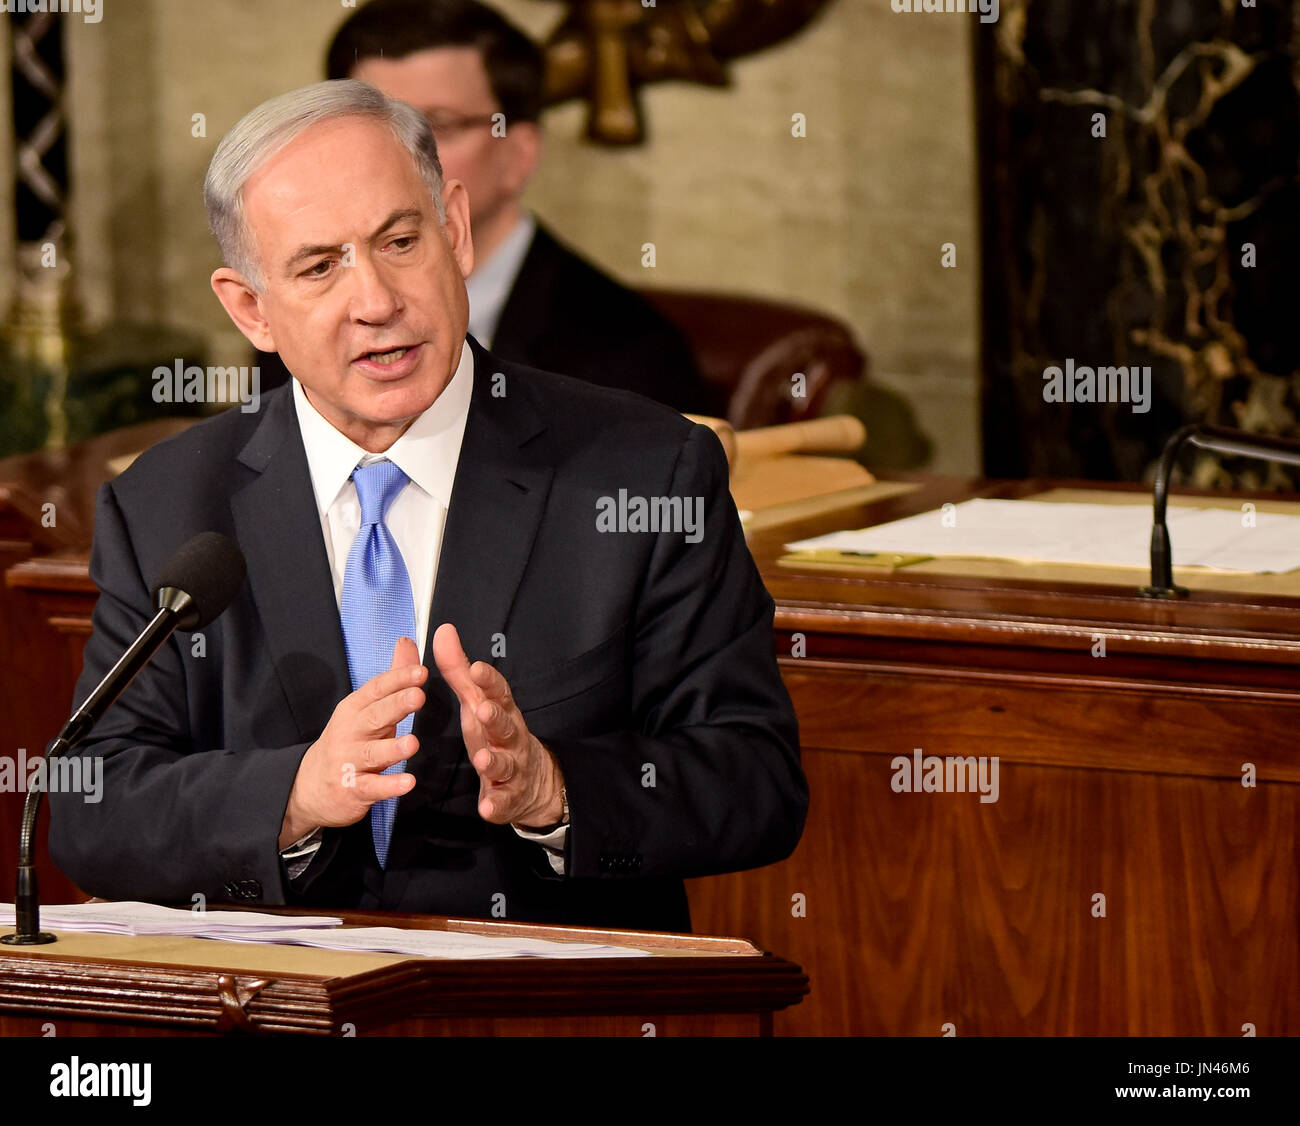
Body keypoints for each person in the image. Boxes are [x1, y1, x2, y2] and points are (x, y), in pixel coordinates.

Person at [47, 81, 807, 933]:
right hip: (277, 1007)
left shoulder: (646, 472)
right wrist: (294, 795)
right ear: (250, 308)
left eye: (400, 241)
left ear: (455, 229)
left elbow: (756, 779)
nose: (375, 301)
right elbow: (93, 803)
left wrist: (553, 789)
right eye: (319, 265)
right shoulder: (168, 501)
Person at [255, 0, 713, 415]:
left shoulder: (628, 350)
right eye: (371, 126)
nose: (392, 158)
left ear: (520, 153)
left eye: (437, 126)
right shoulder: (297, 314)